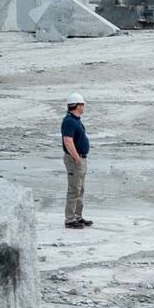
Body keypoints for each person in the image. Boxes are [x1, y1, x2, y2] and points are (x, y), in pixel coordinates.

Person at [60, 96, 92, 229]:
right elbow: (68, 141)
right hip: (75, 159)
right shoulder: (69, 121)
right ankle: (70, 220)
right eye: (82, 104)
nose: (84, 106)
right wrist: (76, 158)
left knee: (80, 189)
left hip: (80, 158)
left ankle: (77, 216)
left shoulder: (76, 121)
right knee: (74, 190)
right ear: (77, 105)